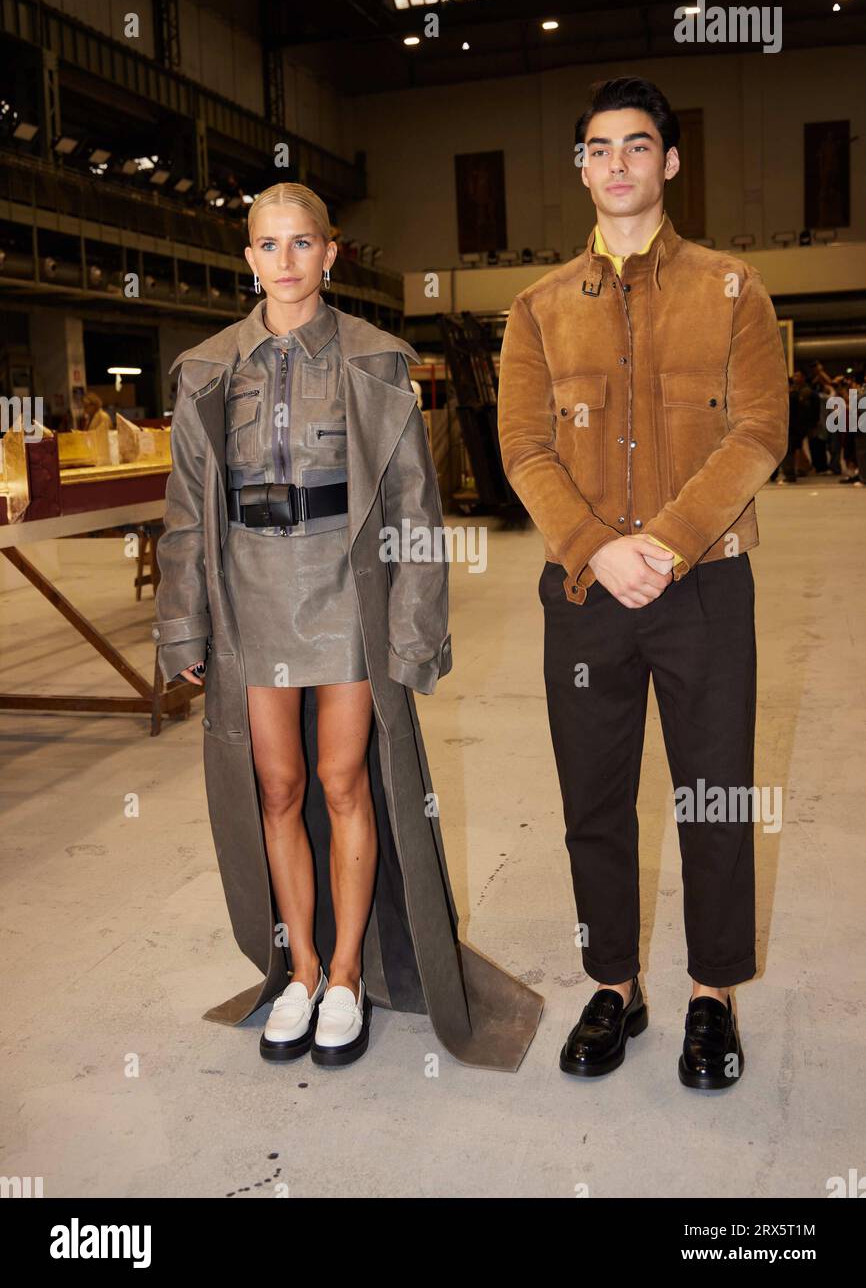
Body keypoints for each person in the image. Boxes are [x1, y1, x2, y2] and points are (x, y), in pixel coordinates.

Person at [152, 182, 542, 1072]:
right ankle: (296, 969)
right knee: (277, 791)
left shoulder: (377, 362)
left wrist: (412, 629)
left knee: (342, 782)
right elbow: (182, 513)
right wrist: (183, 627)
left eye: (303, 244)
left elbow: (413, 508)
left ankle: (346, 976)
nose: (285, 262)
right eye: (267, 245)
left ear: (332, 253)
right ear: (247, 257)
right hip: (249, 595)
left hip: (345, 595)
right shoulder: (207, 370)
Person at [497, 76, 789, 1091]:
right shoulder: (534, 311)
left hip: (703, 584)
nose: (614, 163)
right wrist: (592, 546)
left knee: (710, 797)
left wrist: (658, 544)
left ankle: (712, 994)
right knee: (593, 801)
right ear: (579, 167)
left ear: (667, 162)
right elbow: (523, 447)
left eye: (634, 146)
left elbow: (757, 431)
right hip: (582, 594)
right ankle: (613, 983)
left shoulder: (732, 289)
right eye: (595, 148)